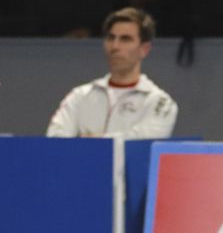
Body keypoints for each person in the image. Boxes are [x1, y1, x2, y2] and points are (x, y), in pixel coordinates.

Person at [47, 8, 178, 138]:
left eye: (125, 39)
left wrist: (92, 141)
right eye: (111, 38)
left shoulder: (160, 102)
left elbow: (143, 142)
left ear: (144, 49)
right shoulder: (80, 96)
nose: (115, 46)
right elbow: (55, 138)